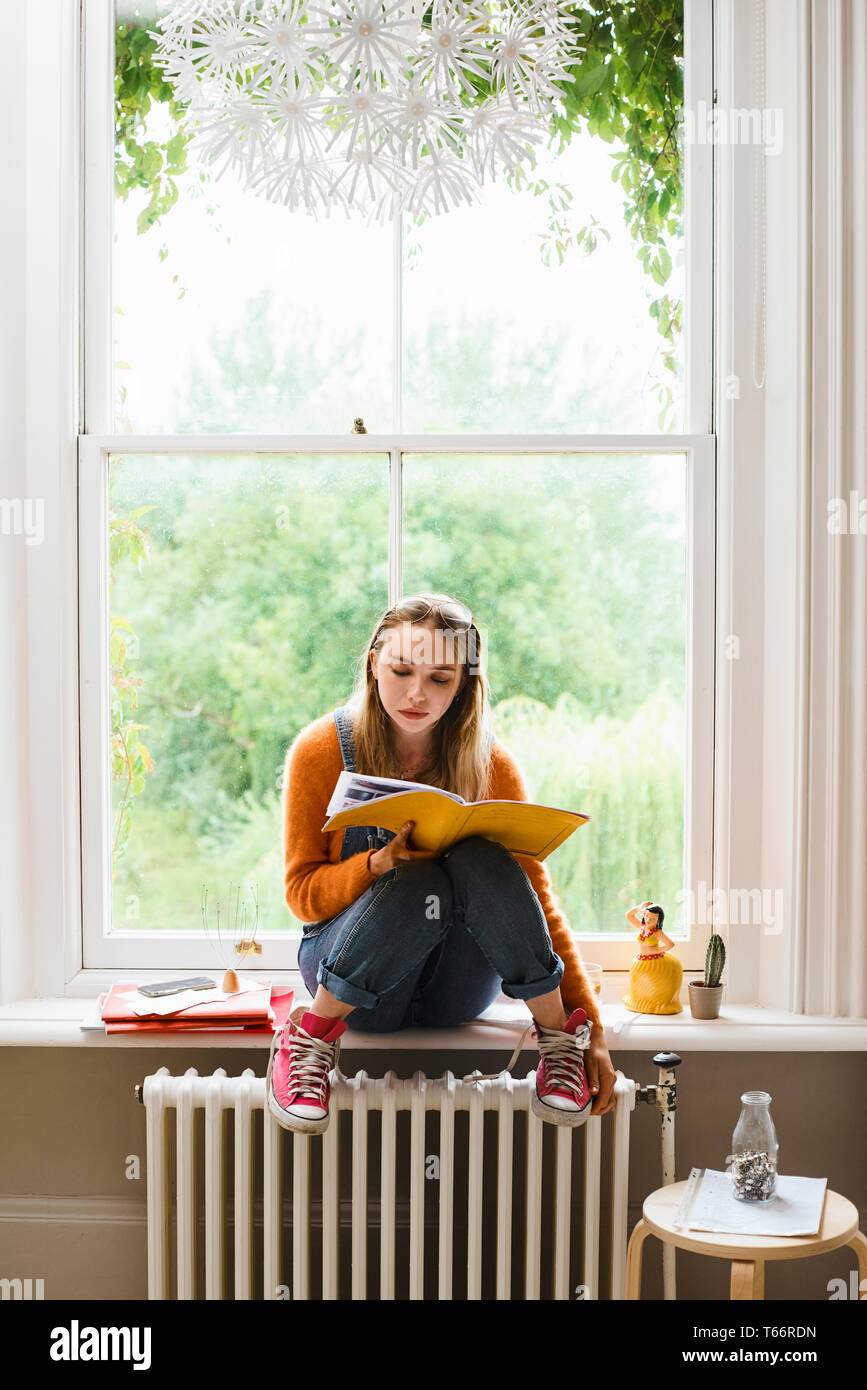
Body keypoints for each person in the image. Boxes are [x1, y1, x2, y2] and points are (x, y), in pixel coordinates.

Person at [267, 592, 617, 1134]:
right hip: (354, 984)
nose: (416, 694)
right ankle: (309, 1038)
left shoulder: (491, 763)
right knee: (417, 880)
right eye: (402, 669)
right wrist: (376, 865)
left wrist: (591, 1029)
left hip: (456, 991)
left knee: (480, 858)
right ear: (373, 663)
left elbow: (533, 903)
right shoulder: (322, 750)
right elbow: (300, 894)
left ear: (465, 684)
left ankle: (558, 1042)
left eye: (440, 679)